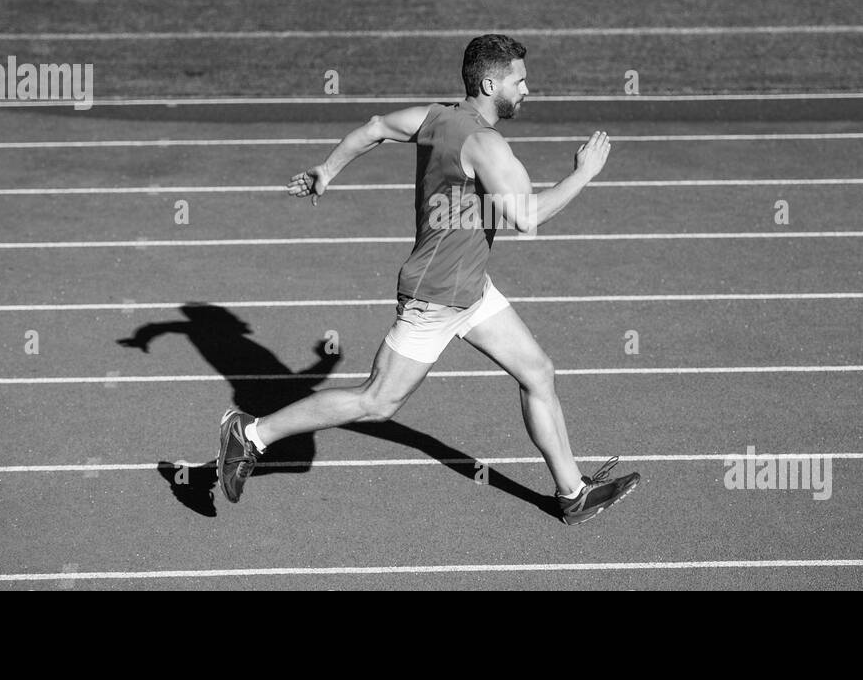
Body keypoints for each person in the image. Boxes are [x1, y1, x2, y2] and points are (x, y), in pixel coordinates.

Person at [217, 34, 639, 525]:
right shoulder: (486, 144)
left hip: (471, 289)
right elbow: (526, 218)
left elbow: (375, 128)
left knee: (538, 372)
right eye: (520, 80)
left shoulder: (436, 116)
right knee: (377, 401)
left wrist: (327, 170)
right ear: (489, 82)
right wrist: (584, 174)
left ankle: (572, 494)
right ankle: (250, 434)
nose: (528, 89)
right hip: (435, 297)